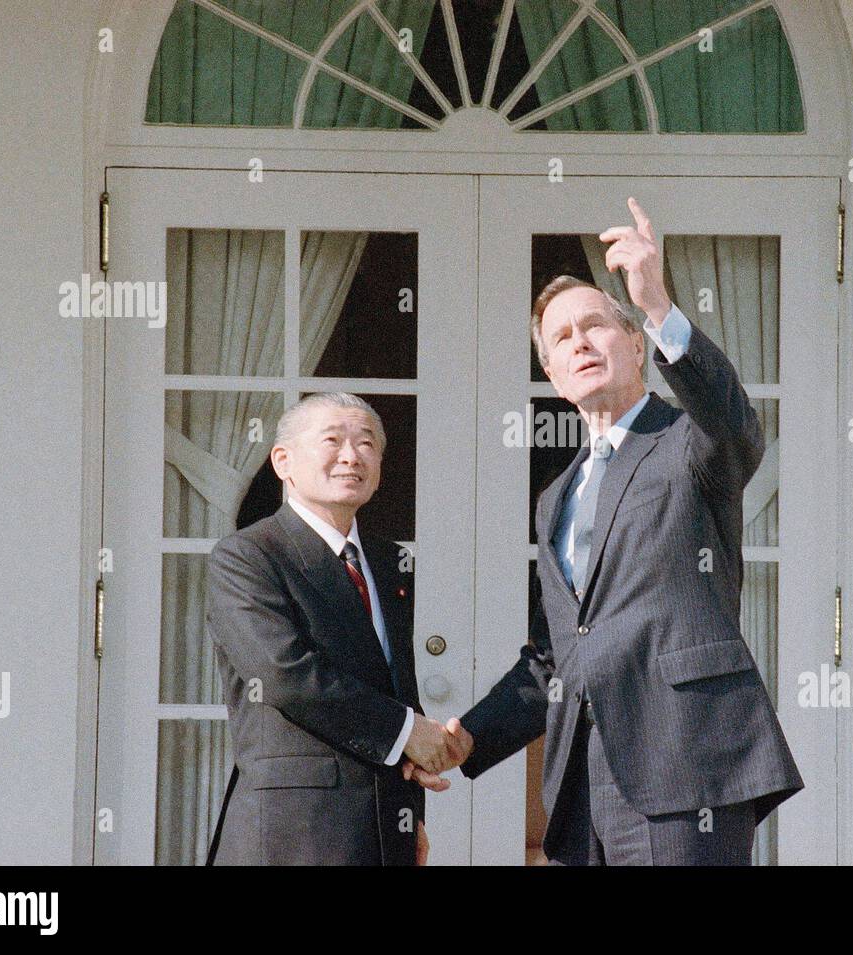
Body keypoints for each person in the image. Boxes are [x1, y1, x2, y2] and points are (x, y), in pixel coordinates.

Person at [408, 198, 804, 864]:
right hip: (585, 785)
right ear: (555, 378)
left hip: (687, 765)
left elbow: (736, 428)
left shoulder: (686, 443)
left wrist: (656, 303)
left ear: (638, 349)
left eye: (596, 325)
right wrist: (470, 735)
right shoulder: (556, 497)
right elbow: (561, 655)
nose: (580, 342)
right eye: (561, 339)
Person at [205, 392, 464, 865]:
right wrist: (409, 733)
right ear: (283, 461)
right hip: (295, 829)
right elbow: (285, 674)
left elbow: (396, 687)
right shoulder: (249, 556)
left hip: (385, 826)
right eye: (332, 440)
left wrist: (411, 815)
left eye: (366, 444)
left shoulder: (388, 563)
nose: (351, 455)